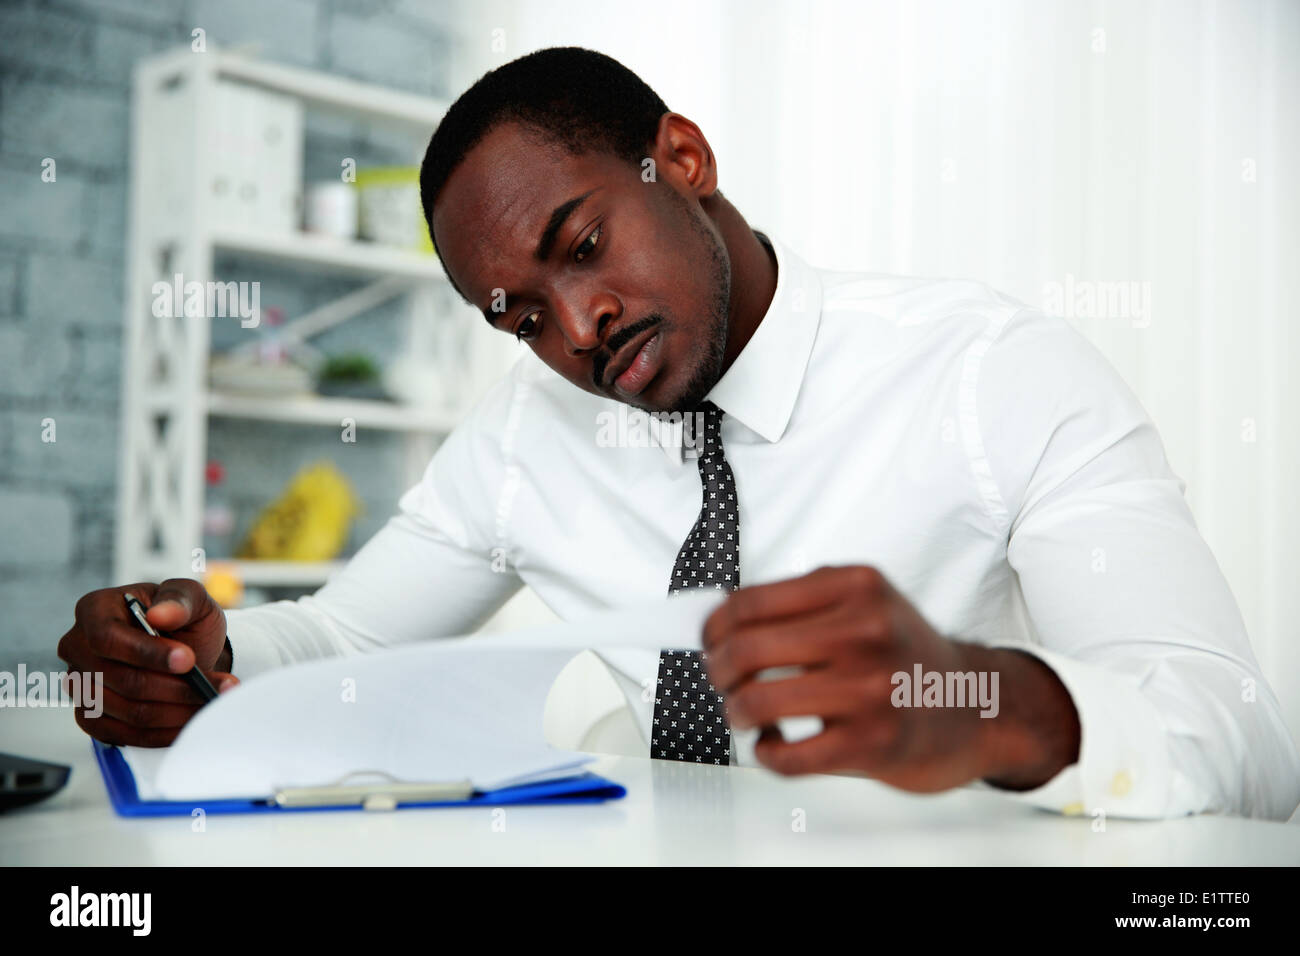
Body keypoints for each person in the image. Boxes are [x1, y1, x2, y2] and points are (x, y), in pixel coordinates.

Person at [60, 47, 1300, 820]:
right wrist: (200, 657)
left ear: (683, 159)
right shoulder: (527, 433)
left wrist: (973, 704)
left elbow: (1238, 736)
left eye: (582, 246)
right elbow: (340, 635)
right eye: (520, 315)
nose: (578, 325)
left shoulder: (993, 374)